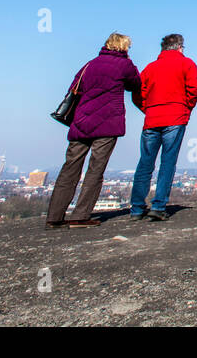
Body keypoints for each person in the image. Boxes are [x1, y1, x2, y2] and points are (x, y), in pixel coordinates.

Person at [47, 33, 142, 228]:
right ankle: (80, 215)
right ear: (124, 47)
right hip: (107, 124)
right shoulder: (124, 65)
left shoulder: (89, 65)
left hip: (81, 122)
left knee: (69, 168)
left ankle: (54, 217)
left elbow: (74, 88)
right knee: (95, 170)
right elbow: (135, 85)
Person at [130, 33, 197, 221]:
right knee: (167, 162)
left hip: (152, 119)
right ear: (180, 47)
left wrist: (148, 108)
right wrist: (185, 107)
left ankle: (136, 209)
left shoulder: (150, 68)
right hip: (175, 118)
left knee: (145, 163)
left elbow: (137, 92)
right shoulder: (187, 64)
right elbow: (194, 88)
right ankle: (158, 205)